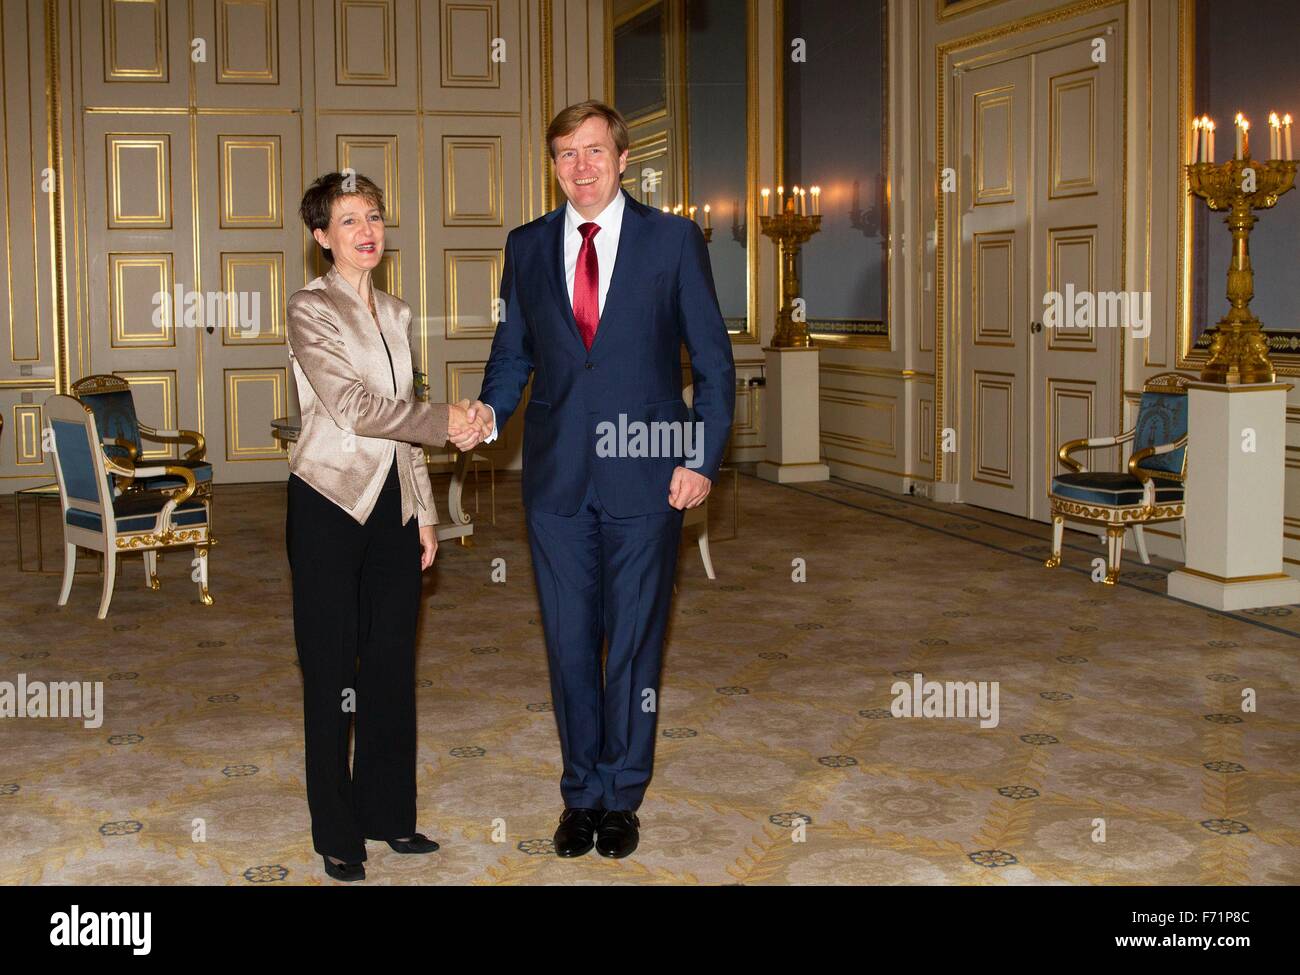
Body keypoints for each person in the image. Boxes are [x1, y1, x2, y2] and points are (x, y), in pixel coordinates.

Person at [459, 101, 735, 858]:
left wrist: (700, 460)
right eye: (563, 155)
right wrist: (487, 414)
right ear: (552, 165)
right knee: (571, 643)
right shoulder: (526, 246)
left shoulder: (672, 240)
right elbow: (513, 351)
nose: (579, 167)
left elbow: (712, 363)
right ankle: (580, 792)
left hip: (650, 476)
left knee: (638, 643)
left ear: (621, 158)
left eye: (592, 151)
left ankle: (623, 794)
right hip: (555, 482)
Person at [285, 172, 482, 881]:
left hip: (394, 506)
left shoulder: (396, 313)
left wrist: (424, 511)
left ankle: (389, 813)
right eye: (348, 221)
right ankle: (336, 829)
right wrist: (444, 422)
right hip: (329, 504)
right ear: (321, 237)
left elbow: (401, 425)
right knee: (332, 669)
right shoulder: (309, 309)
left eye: (373, 215)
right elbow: (353, 407)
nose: (366, 230)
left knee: (393, 665)